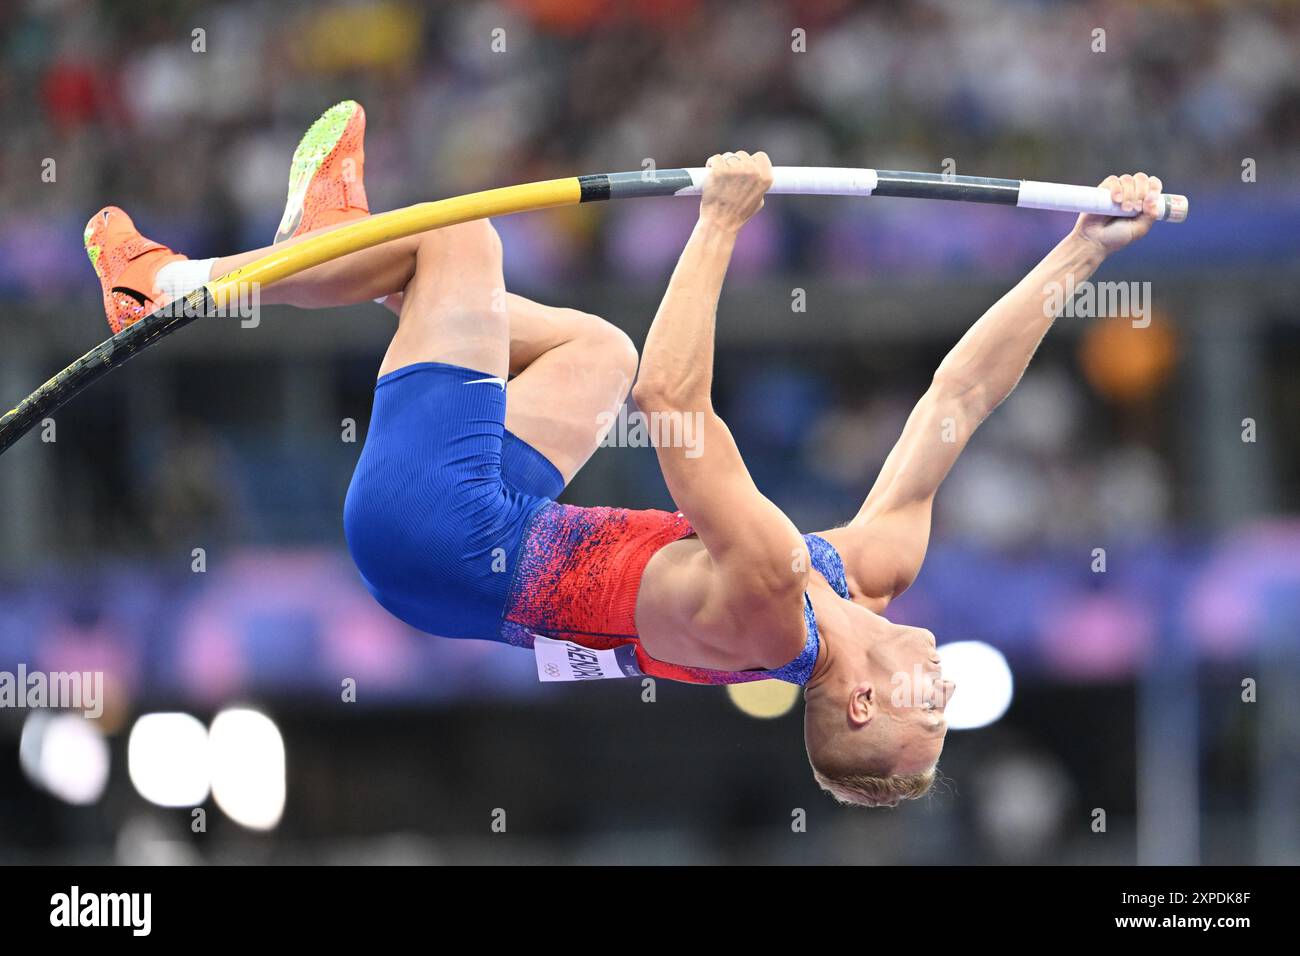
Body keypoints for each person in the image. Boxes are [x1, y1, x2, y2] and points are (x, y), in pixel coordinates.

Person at [83, 101, 1167, 806]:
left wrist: (719, 220)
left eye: (928, 709)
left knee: (460, 237)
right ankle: (332, 255)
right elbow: (961, 393)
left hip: (444, 534)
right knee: (579, 342)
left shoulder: (770, 592)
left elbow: (671, 398)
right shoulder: (867, 568)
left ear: (863, 707)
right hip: (492, 541)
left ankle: (182, 283)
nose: (943, 688)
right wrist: (1082, 250)